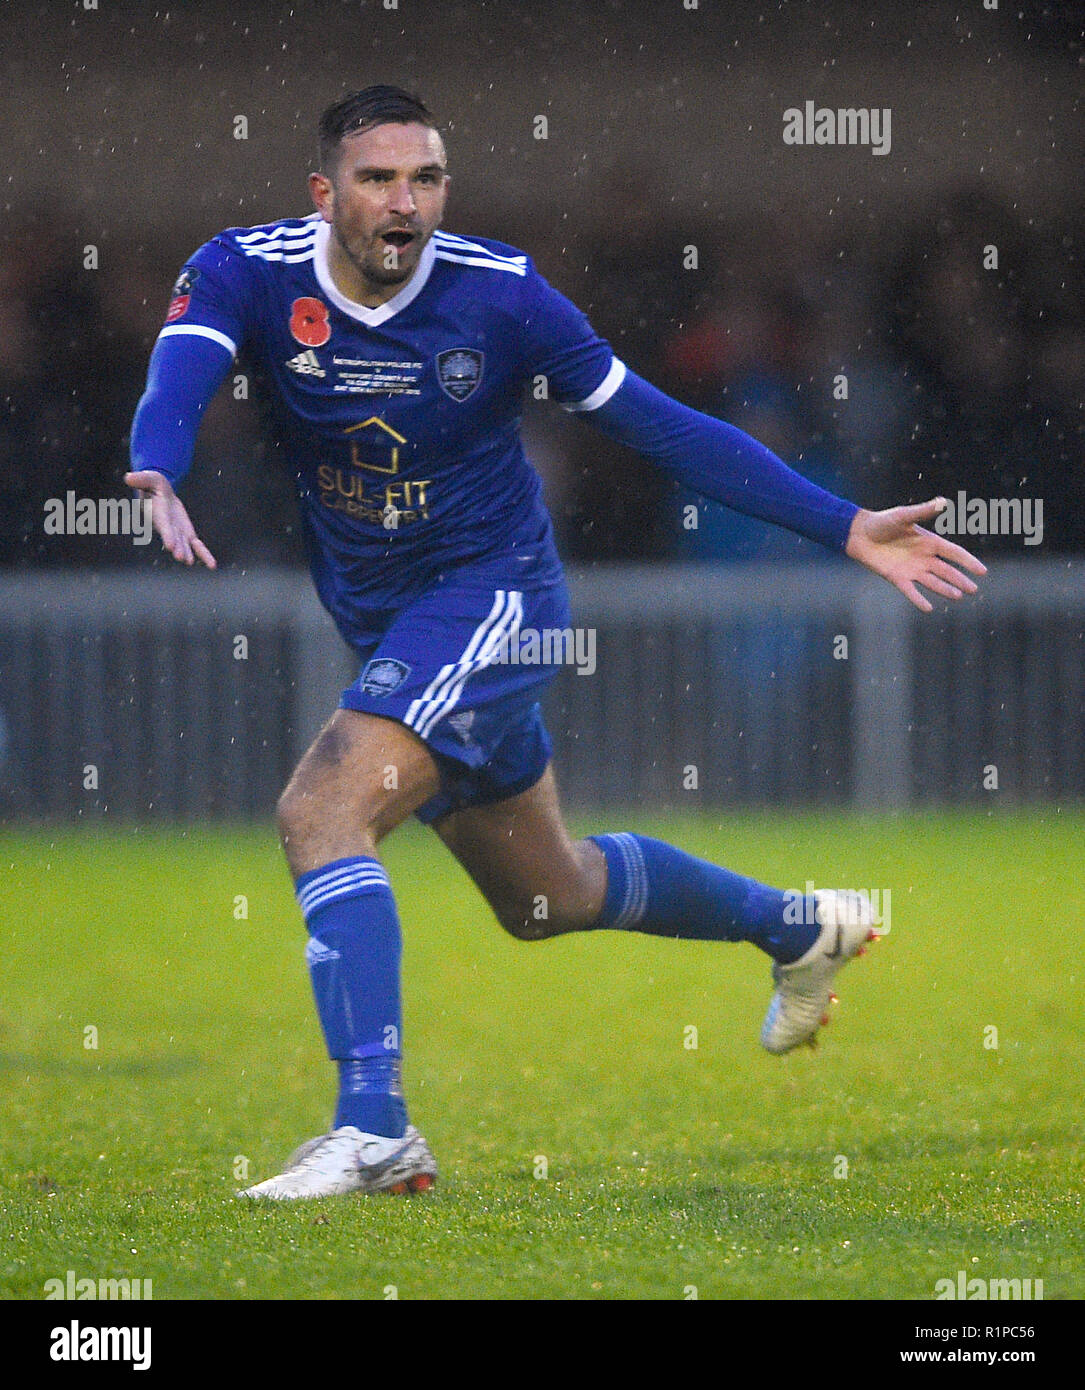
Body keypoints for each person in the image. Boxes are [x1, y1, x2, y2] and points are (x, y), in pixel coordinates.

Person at [126, 86, 986, 1200]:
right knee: (549, 897)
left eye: (425, 179)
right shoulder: (247, 268)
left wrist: (841, 523)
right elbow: (182, 363)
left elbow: (659, 424)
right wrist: (157, 457)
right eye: (378, 178)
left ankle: (374, 1127)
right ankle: (796, 927)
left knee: (318, 807)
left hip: (492, 600)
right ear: (323, 192)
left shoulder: (502, 295)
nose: (404, 202)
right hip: (393, 624)